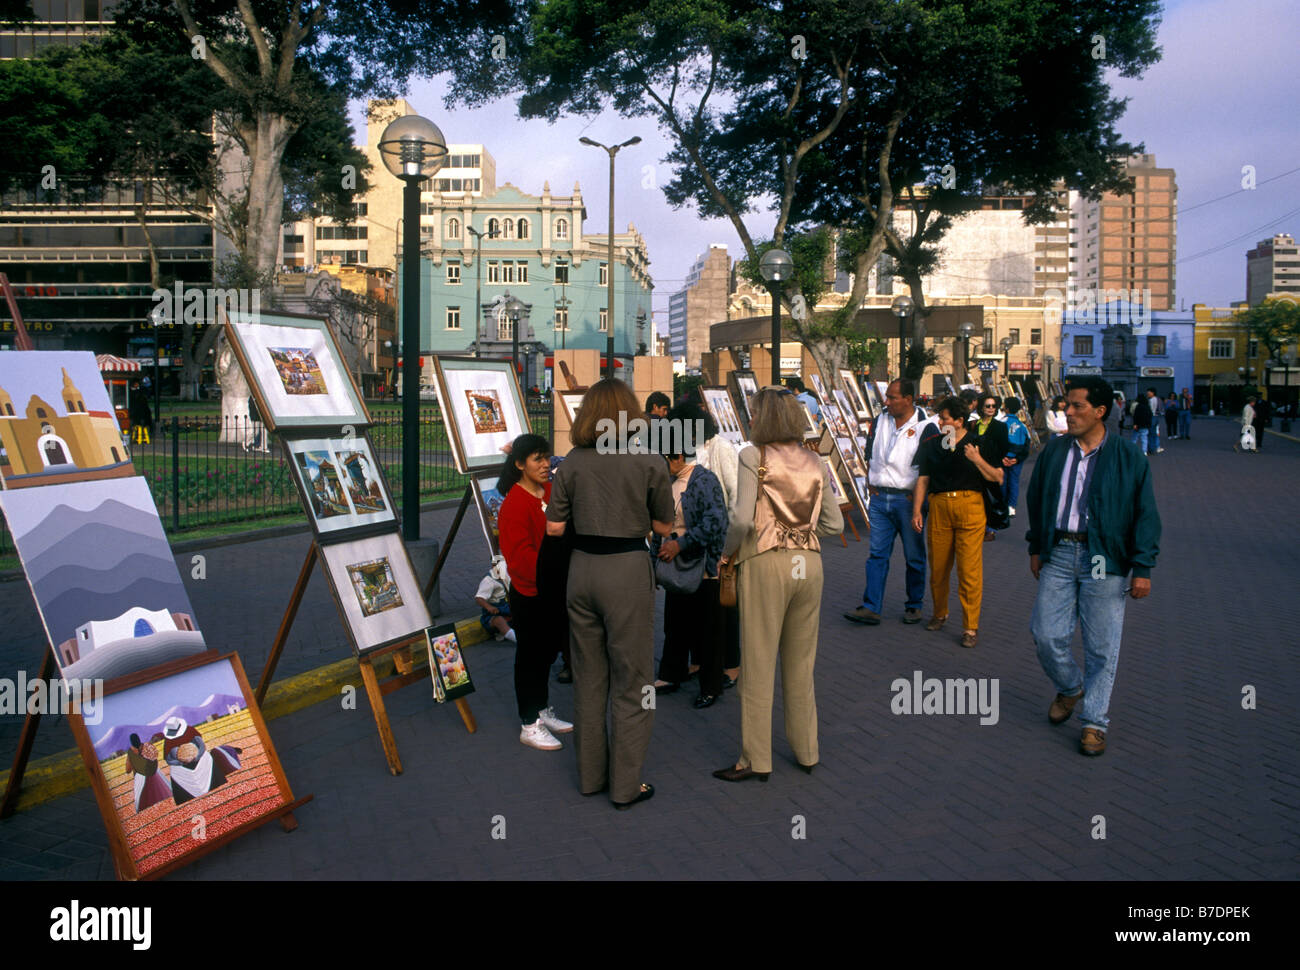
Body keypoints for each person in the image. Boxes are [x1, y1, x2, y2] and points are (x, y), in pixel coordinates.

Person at [546, 379, 674, 809]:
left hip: (581, 570)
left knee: (588, 678)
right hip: (626, 571)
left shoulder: (572, 464)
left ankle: (590, 778)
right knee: (634, 681)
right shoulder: (649, 459)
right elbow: (662, 527)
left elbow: (555, 528)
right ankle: (625, 786)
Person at [713, 386, 843, 782]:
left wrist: (725, 555)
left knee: (757, 662)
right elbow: (835, 524)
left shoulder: (754, 456)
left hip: (767, 562)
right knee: (801, 664)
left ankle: (756, 759)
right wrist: (805, 531)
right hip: (810, 563)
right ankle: (806, 751)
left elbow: (741, 521)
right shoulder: (815, 460)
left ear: (764, 418)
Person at [1026, 376, 1159, 757]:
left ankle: (1094, 721)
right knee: (1045, 634)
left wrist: (1143, 568)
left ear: (1100, 411)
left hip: (1102, 556)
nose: (1067, 412)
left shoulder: (1127, 455)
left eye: (1076, 406)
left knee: (1102, 644)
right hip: (1060, 551)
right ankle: (1071, 687)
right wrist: (1037, 546)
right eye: (1066, 405)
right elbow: (1037, 500)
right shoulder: (1055, 451)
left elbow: (1145, 512)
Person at [497, 433, 573, 751]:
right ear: (519, 464)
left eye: (546, 457)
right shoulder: (514, 504)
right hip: (530, 594)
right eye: (537, 459)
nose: (545, 464)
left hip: (555, 588)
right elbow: (520, 558)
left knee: (546, 653)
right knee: (529, 657)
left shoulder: (551, 491)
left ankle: (541, 708)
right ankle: (529, 722)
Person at [844, 378, 940, 626]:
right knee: (877, 555)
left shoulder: (927, 426)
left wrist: (918, 502)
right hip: (879, 499)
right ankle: (871, 607)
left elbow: (931, 468)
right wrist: (870, 481)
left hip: (908, 501)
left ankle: (914, 605)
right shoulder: (880, 420)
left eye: (892, 398)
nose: (886, 402)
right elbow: (869, 452)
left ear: (908, 399)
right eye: (886, 397)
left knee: (914, 556)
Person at [911, 396, 1005, 648]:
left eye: (945, 418)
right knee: (938, 567)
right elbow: (923, 478)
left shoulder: (978, 443)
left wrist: (977, 459)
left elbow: (998, 477)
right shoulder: (934, 444)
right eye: (940, 417)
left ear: (960, 421)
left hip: (970, 507)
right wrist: (917, 510)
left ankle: (970, 627)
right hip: (940, 507)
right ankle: (939, 613)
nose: (940, 422)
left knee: (969, 570)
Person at [651, 404, 729, 709]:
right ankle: (672, 673)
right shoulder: (671, 481)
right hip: (677, 568)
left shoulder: (704, 480)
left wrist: (680, 544)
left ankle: (711, 685)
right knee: (675, 625)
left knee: (708, 632)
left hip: (703, 569)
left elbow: (716, 521)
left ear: (678, 457)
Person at [689, 402, 742, 688]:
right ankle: (700, 660)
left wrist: (730, 544)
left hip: (722, 540)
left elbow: (735, 495)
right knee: (701, 605)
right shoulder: (695, 447)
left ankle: (731, 664)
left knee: (725, 604)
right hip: (701, 538)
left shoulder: (721, 448)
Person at [974, 393, 1010, 541]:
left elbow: (1004, 447)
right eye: (988, 406)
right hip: (976, 467)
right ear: (981, 407)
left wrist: (995, 461)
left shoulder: (1000, 426)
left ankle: (991, 529)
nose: (991, 409)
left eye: (994, 406)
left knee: (993, 498)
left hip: (992, 466)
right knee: (981, 498)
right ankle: (982, 527)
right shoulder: (974, 425)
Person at [125, 733, 171, 813]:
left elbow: (128, 770)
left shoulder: (131, 753)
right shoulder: (147, 747)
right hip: (155, 775)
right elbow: (154, 758)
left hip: (140, 777)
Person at [474, 557, 516, 643]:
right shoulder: (488, 581)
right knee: (499, 620)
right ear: (494, 567)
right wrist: (489, 607)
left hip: (507, 608)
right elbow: (479, 598)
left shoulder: (506, 575)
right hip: (493, 612)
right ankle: (515, 638)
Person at [1001, 397, 1031, 516]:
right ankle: (1011, 506)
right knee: (1014, 482)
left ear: (1006, 408)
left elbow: (995, 442)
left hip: (1003, 458)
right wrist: (1017, 459)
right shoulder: (1022, 426)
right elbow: (1027, 445)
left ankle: (1002, 505)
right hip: (1016, 459)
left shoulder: (1000, 423)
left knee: (1002, 481)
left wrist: (1002, 457)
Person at [1146, 388, 1164, 454]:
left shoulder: (1151, 400)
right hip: (1156, 417)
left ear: (1152, 393)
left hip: (1152, 417)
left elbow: (1151, 410)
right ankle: (1154, 448)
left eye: (1148, 393)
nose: (1147, 394)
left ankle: (1150, 449)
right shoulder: (1158, 399)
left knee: (1150, 433)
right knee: (1154, 433)